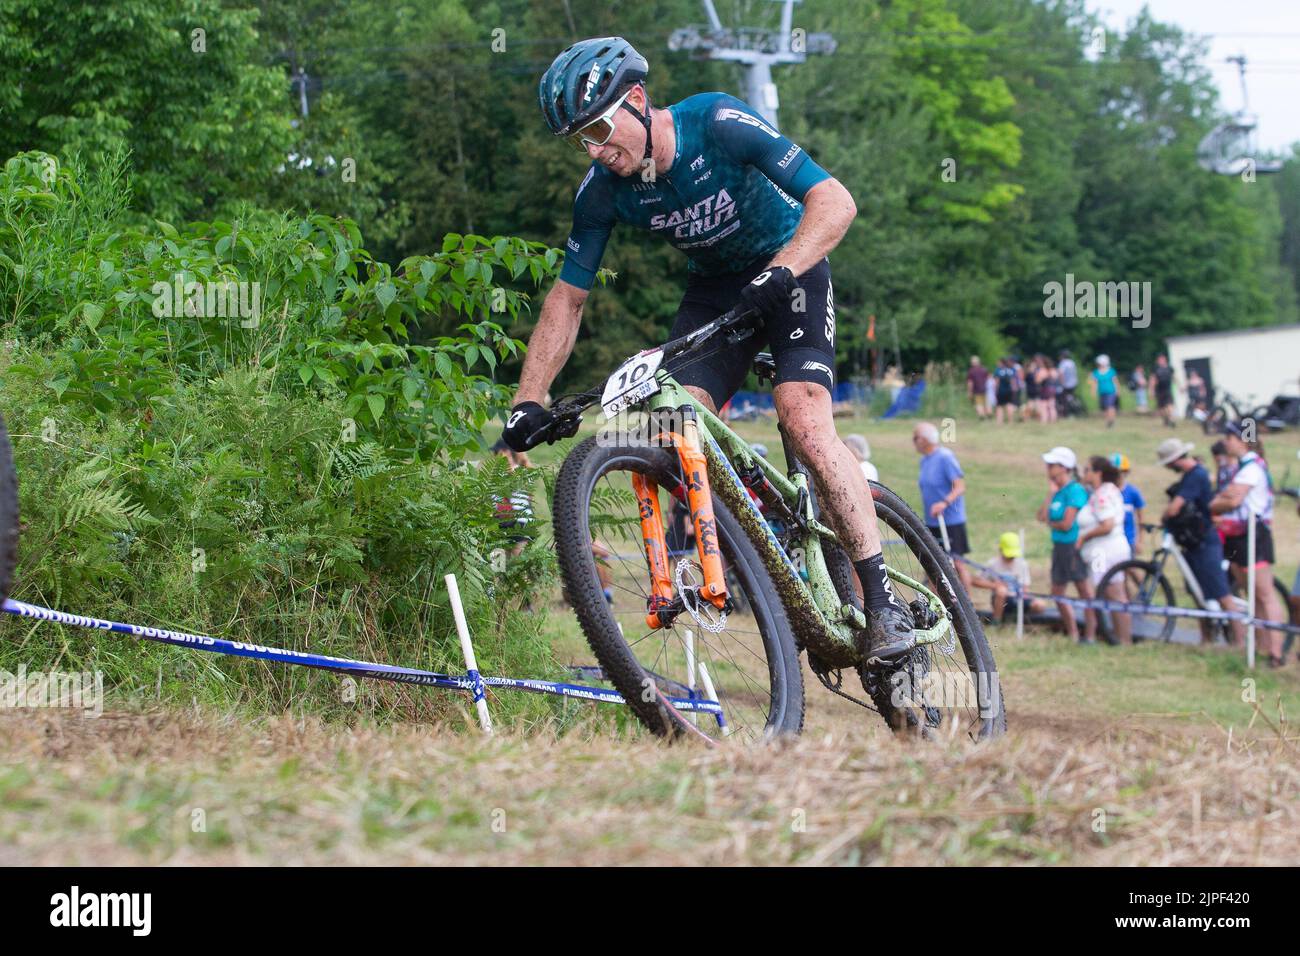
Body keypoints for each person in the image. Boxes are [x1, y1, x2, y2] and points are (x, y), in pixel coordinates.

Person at [509, 37, 915, 660]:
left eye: (597, 129)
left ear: (638, 99)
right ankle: (760, 561)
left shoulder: (718, 123)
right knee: (676, 423)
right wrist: (529, 399)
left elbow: (835, 200)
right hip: (716, 293)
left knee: (804, 421)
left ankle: (883, 603)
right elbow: (567, 299)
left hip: (791, 266)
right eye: (579, 141)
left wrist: (780, 274)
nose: (594, 150)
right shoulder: (602, 191)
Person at [1156, 438, 1246, 647]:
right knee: (1199, 595)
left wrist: (1164, 517)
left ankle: (1239, 643)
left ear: (1174, 461)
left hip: (1205, 542)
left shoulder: (1196, 475)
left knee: (1222, 594)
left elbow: (1174, 508)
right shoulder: (1192, 474)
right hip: (1193, 543)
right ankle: (1207, 639)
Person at [1211, 423, 1286, 665]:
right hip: (1238, 536)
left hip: (1254, 535)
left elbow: (1232, 499)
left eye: (1229, 437)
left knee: (1264, 593)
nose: (1225, 442)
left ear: (1241, 441)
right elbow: (1228, 496)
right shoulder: (1241, 468)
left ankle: (1275, 651)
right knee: (1250, 592)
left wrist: (1213, 504)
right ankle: (1263, 646)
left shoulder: (1251, 468)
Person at [1036, 446, 1094, 642]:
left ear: (1064, 468)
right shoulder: (1058, 491)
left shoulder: (1075, 490)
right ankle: (1074, 633)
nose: (1048, 468)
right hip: (1060, 547)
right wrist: (1050, 494)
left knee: (1083, 591)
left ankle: (1089, 634)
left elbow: (1067, 524)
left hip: (1073, 547)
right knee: (1058, 592)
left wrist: (1051, 523)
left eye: (1052, 465)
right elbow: (1041, 516)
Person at [1077, 456, 1133, 643]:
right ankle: (1119, 636)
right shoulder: (1106, 491)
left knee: (1113, 593)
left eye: (1087, 470)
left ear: (1097, 473)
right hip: (1108, 548)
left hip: (1105, 550)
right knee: (1113, 593)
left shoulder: (1102, 494)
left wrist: (1084, 537)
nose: (1084, 474)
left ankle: (1123, 639)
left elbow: (1107, 524)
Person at [913, 421, 972, 592]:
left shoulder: (945, 457)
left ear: (924, 440)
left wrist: (944, 503)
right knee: (935, 565)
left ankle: (968, 607)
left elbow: (959, 486)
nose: (913, 442)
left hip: (951, 521)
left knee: (957, 564)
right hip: (933, 521)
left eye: (915, 438)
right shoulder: (924, 461)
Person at [970, 532, 1049, 621]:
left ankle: (1021, 619)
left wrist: (1025, 594)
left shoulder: (1022, 564)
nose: (1011, 557)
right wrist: (994, 586)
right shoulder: (993, 564)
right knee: (1001, 591)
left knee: (1040, 604)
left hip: (1018, 598)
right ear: (1001, 550)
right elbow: (974, 581)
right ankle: (997, 621)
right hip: (1001, 599)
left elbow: (1025, 587)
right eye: (1009, 554)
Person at [1110, 453, 1146, 555]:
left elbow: (1141, 519)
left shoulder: (1133, 492)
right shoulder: (1103, 493)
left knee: (1129, 569)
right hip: (1108, 541)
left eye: (1120, 472)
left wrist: (1140, 541)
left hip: (1128, 541)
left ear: (1126, 472)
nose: (1116, 475)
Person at [1090, 354, 1119, 429]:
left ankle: (1111, 421)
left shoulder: (1111, 371)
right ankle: (1108, 421)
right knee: (1105, 407)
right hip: (1102, 392)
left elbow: (1115, 381)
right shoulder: (1096, 372)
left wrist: (1117, 390)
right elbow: (1095, 383)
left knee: (1110, 406)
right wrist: (1093, 391)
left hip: (1111, 392)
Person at [1151, 354, 1176, 427]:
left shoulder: (1170, 368)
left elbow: (1174, 377)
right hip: (1159, 390)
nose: (1161, 361)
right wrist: (1151, 390)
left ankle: (1171, 419)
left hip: (1167, 390)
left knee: (1170, 405)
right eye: (1160, 360)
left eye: (1162, 360)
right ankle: (1166, 420)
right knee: (1162, 409)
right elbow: (1152, 379)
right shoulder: (1155, 369)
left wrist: (1180, 386)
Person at [993, 357, 1018, 424]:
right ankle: (1010, 421)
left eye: (998, 362)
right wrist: (1014, 390)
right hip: (1009, 390)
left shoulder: (998, 370)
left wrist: (995, 391)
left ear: (1001, 363)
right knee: (1009, 405)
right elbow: (1013, 381)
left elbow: (997, 382)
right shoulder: (1011, 370)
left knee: (999, 406)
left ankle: (999, 421)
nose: (997, 363)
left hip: (1001, 390)